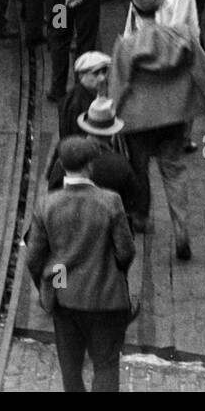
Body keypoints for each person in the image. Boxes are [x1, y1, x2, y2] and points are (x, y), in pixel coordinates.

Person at [111, 0, 205, 260]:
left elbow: (118, 86)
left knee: (138, 168)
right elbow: (204, 69)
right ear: (158, 7)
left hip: (139, 122)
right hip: (174, 120)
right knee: (175, 171)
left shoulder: (127, 45)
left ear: (135, 9)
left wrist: (109, 119)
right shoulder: (182, 36)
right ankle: (181, 230)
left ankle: (141, 217)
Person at [25, 136, 135, 393]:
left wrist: (45, 288)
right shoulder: (110, 201)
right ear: (89, 166)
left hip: (64, 300)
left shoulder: (46, 204)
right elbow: (126, 250)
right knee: (106, 365)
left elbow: (33, 258)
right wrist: (114, 272)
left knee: (71, 370)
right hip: (106, 299)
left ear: (63, 165)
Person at [59, 51, 111, 142]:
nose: (102, 77)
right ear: (82, 75)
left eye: (104, 71)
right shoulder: (76, 104)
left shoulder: (90, 94)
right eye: (96, 73)